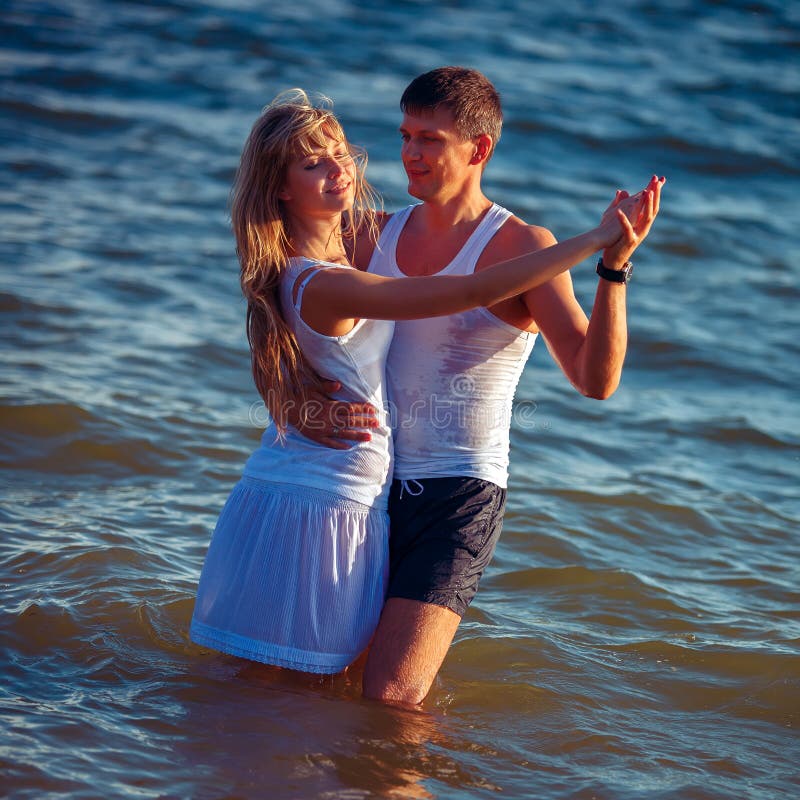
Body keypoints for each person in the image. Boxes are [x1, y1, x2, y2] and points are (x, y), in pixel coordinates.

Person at [189, 88, 653, 677]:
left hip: (458, 494)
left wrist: (611, 267)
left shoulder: (525, 247)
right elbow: (281, 320)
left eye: (428, 139)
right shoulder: (365, 235)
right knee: (327, 681)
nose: (409, 152)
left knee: (391, 697)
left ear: (479, 147)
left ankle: (444, 768)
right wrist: (292, 403)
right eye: (404, 135)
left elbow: (596, 380)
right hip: (370, 493)